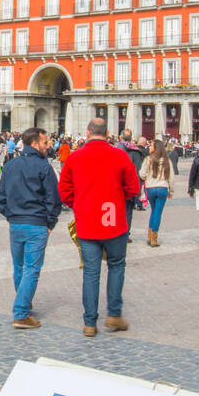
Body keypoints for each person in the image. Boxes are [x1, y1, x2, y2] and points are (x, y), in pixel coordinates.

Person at [58, 117, 140, 337]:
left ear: (87, 132)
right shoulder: (120, 156)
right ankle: (113, 315)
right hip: (114, 222)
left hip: (87, 223)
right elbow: (134, 188)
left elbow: (64, 191)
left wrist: (79, 204)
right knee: (116, 266)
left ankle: (90, 323)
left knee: (91, 273)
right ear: (107, 133)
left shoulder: (75, 158)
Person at [0, 127, 62, 329]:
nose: (48, 145)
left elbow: (1, 198)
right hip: (37, 223)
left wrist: (11, 216)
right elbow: (54, 198)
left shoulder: (10, 165)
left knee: (19, 267)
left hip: (16, 223)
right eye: (45, 142)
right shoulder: (44, 167)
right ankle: (21, 313)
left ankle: (24, 300)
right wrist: (50, 222)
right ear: (34, 144)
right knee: (32, 269)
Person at [142, 138, 174, 247]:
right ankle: (154, 239)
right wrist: (171, 191)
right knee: (157, 212)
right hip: (162, 188)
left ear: (156, 148)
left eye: (151, 146)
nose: (149, 147)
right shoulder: (167, 160)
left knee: (153, 211)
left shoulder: (148, 159)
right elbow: (171, 177)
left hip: (150, 188)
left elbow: (142, 174)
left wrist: (148, 178)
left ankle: (149, 236)